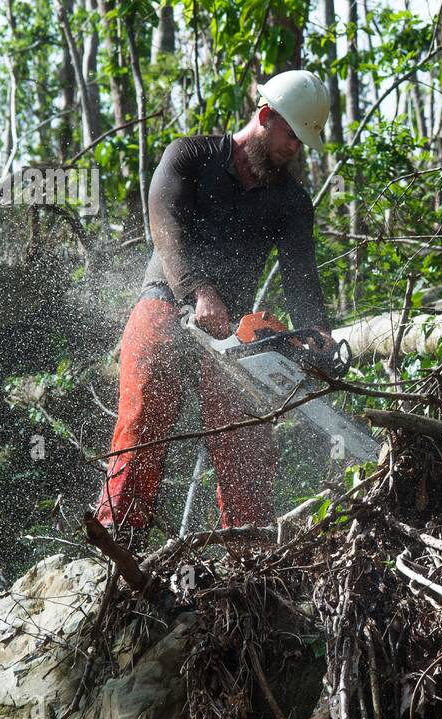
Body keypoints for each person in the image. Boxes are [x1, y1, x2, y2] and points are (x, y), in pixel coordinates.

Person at [93, 70, 333, 539]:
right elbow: (164, 226)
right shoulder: (189, 156)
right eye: (291, 137)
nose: (295, 150)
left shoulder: (291, 202)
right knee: (145, 417)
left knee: (245, 439)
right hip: (166, 301)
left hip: (230, 336)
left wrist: (316, 333)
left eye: (302, 143)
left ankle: (251, 559)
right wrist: (198, 289)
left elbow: (302, 276)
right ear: (265, 117)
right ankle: (115, 542)